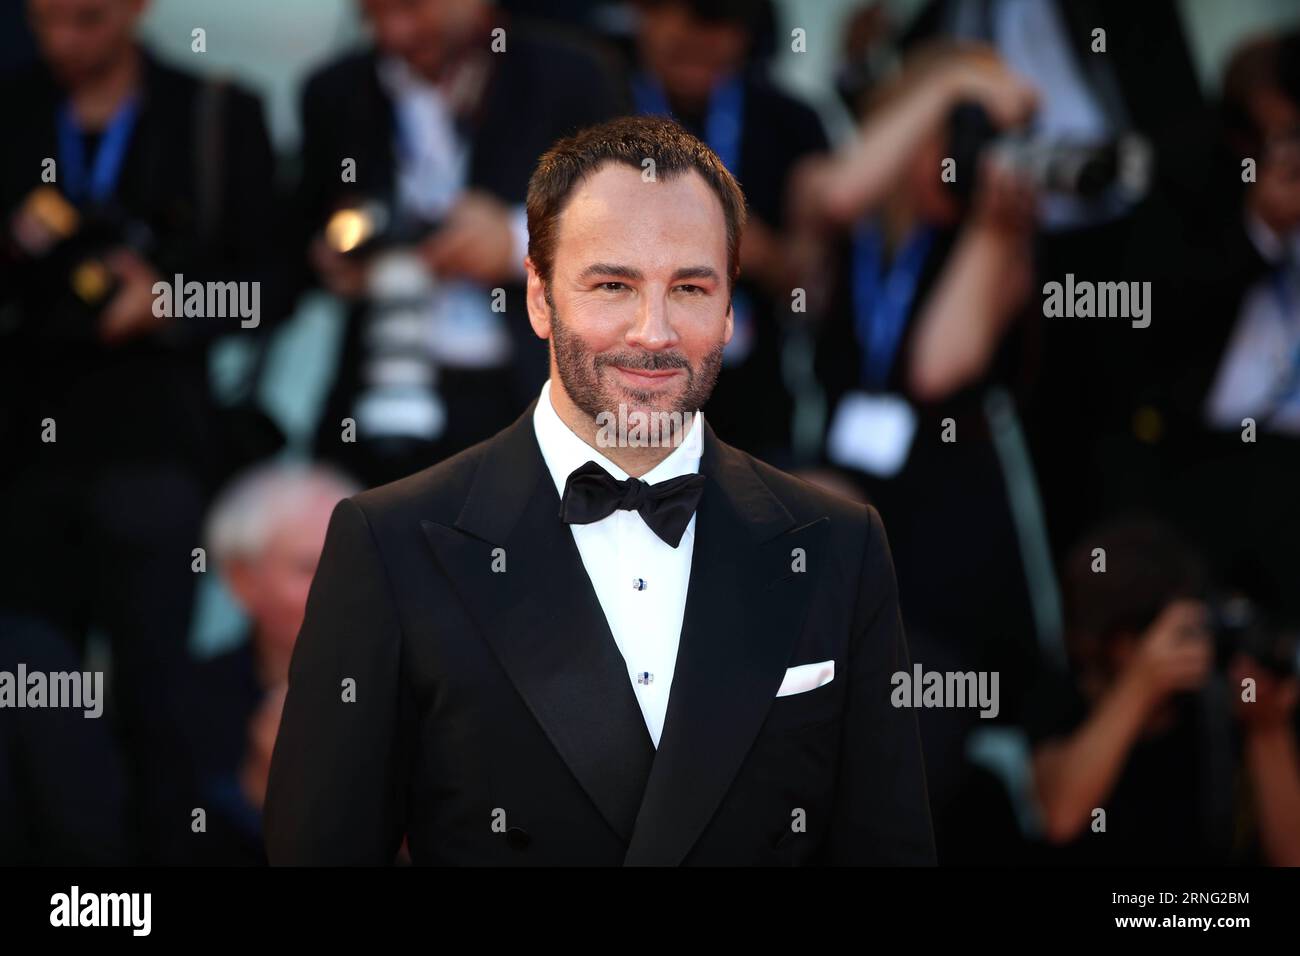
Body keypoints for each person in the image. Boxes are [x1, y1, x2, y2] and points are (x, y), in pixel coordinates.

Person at [265, 116, 936, 865]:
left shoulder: (837, 545)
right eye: (613, 285)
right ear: (540, 297)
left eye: (688, 287)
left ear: (726, 309)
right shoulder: (390, 544)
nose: (652, 332)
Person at [0, 0, 281, 863]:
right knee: (31, 694)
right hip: (21, 456)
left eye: (84, 20)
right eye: (43, 21)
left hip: (157, 455)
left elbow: (272, 285)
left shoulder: (215, 111)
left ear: (134, 10)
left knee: (155, 700)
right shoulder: (10, 108)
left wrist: (170, 302)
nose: (62, 43)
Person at [294, 0, 627, 488]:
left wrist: (517, 240)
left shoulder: (572, 75)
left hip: (527, 393)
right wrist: (334, 258)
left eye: (412, 11)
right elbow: (289, 236)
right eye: (374, 15)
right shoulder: (337, 89)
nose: (393, 34)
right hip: (377, 397)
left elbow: (627, 223)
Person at [185, 463, 360, 865]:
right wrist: (260, 786)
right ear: (242, 580)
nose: (342, 587)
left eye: (357, 560)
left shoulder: (432, 692)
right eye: (307, 567)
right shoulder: (184, 706)